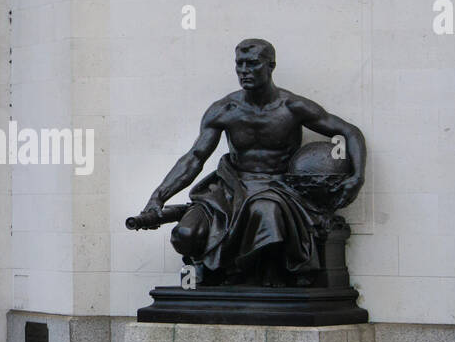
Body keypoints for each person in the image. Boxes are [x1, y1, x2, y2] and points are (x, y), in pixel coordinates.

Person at [136, 39, 366, 287]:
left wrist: (357, 176)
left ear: (271, 66)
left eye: (253, 63)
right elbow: (195, 157)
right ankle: (205, 271)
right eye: (240, 64)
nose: (244, 71)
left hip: (276, 188)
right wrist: (158, 197)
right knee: (185, 234)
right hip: (230, 188)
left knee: (264, 213)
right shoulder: (224, 109)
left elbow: (349, 132)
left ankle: (247, 274)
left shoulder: (293, 106)